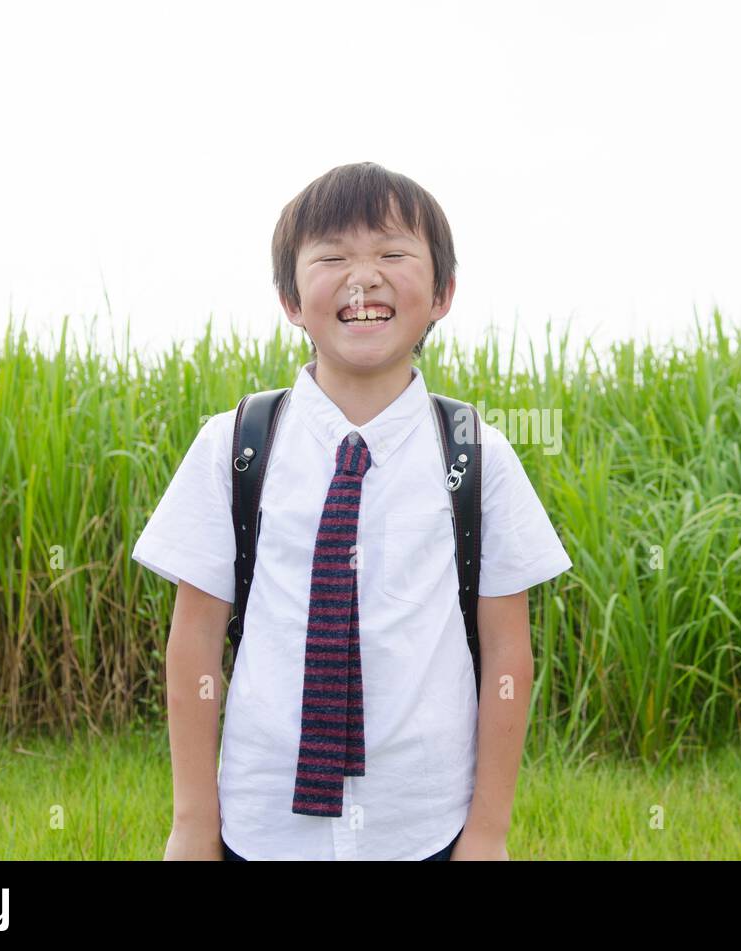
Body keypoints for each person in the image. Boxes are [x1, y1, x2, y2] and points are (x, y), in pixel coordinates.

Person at [132, 162, 573, 860]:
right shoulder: (236, 446)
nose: (362, 277)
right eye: (332, 256)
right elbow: (194, 644)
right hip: (263, 822)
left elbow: (507, 653)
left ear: (443, 293)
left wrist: (488, 832)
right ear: (290, 299)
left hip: (423, 825)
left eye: (393, 254)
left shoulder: (477, 456)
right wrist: (193, 823)